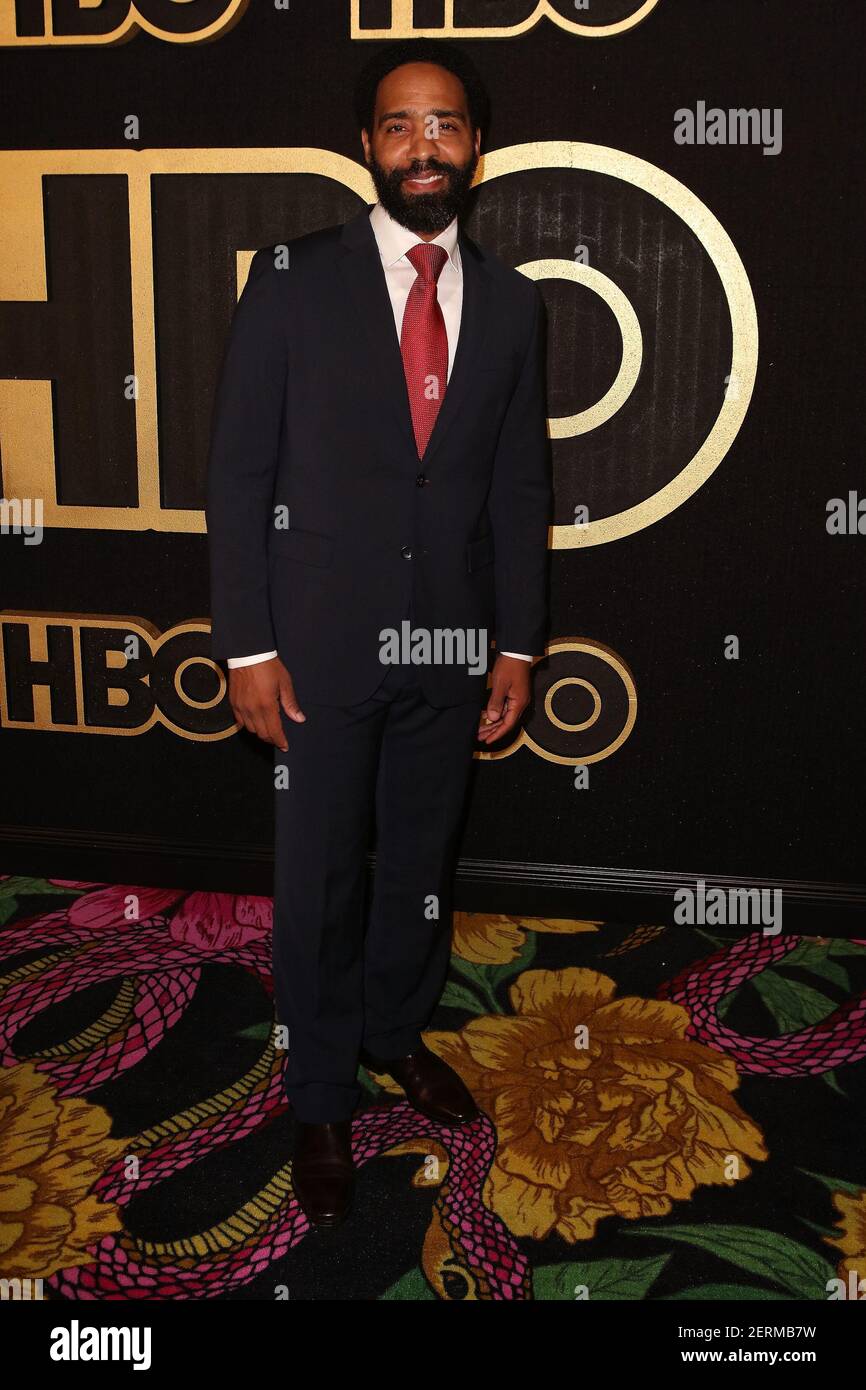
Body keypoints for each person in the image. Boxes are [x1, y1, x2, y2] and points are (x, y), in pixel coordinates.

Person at [205, 39, 551, 1226]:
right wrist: (248, 644)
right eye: (399, 125)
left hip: (450, 650)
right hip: (315, 650)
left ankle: (397, 1032)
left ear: (473, 148)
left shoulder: (510, 304)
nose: (422, 146)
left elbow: (515, 485)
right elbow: (240, 471)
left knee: (416, 862)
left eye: (444, 124)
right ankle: (316, 1092)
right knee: (316, 880)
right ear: (367, 145)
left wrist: (515, 642)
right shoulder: (294, 278)